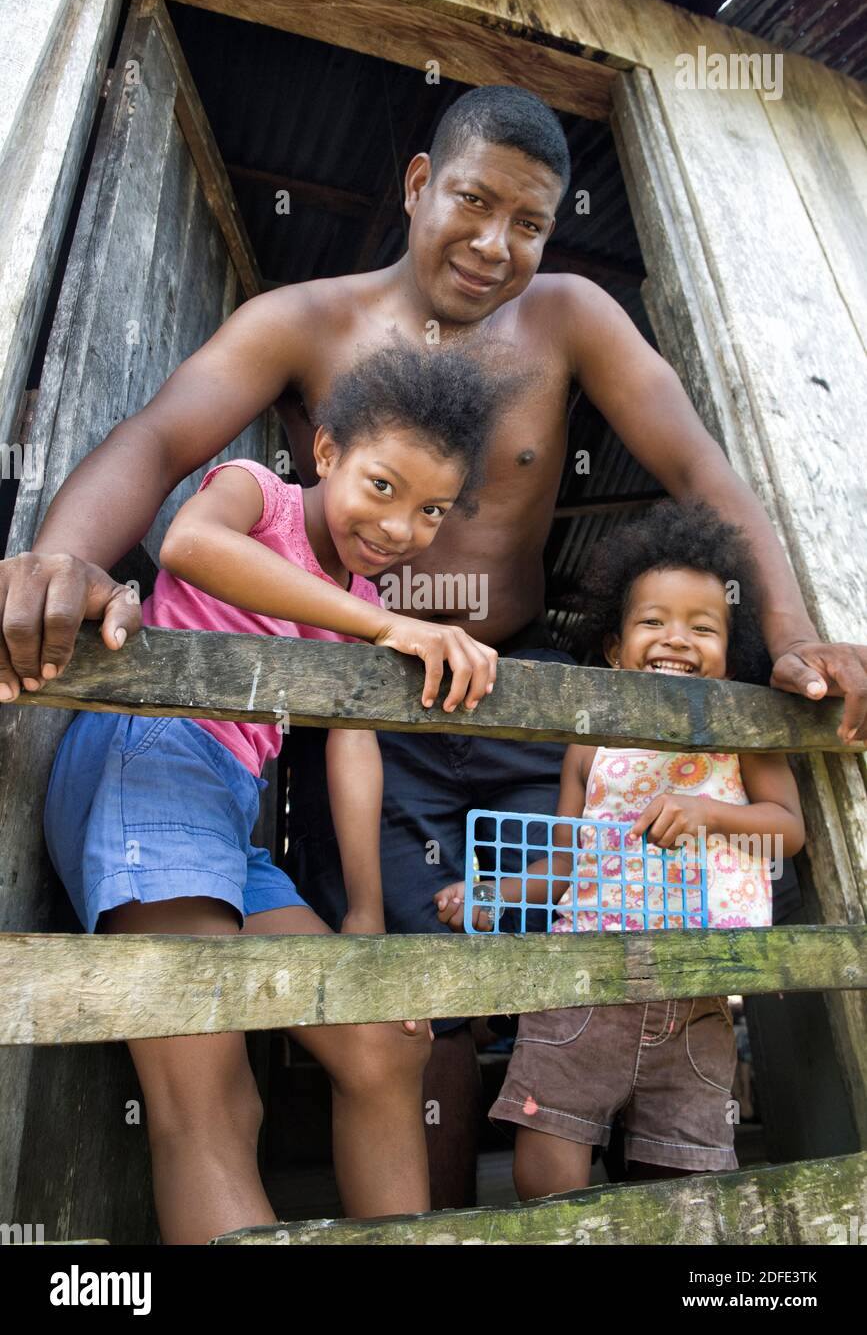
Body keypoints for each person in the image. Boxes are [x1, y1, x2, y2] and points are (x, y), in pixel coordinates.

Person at [2, 84, 863, 1209]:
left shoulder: (571, 317)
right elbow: (160, 438)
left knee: (563, 935)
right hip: (357, 703)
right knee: (412, 992)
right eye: (472, 201)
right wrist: (61, 555)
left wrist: (796, 639)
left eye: (530, 221)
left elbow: (706, 472)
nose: (497, 244)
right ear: (418, 185)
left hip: (512, 698)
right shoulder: (306, 321)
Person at [41, 342, 506, 1244]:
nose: (401, 526)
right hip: (155, 758)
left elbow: (351, 745)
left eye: (431, 510)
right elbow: (189, 543)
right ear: (327, 452)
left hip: (225, 810)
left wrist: (365, 917)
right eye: (383, 486)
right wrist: (383, 624)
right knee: (210, 1103)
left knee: (382, 1044)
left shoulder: (358, 595)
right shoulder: (259, 491)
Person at [435, 500, 805, 1197]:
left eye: (703, 627)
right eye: (652, 622)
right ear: (614, 648)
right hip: (584, 981)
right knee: (548, 1153)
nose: (677, 639)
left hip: (694, 994)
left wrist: (710, 814)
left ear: (729, 652)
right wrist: (492, 895)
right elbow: (571, 861)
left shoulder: (741, 732)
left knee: (685, 1168)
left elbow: (787, 828)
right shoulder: (591, 743)